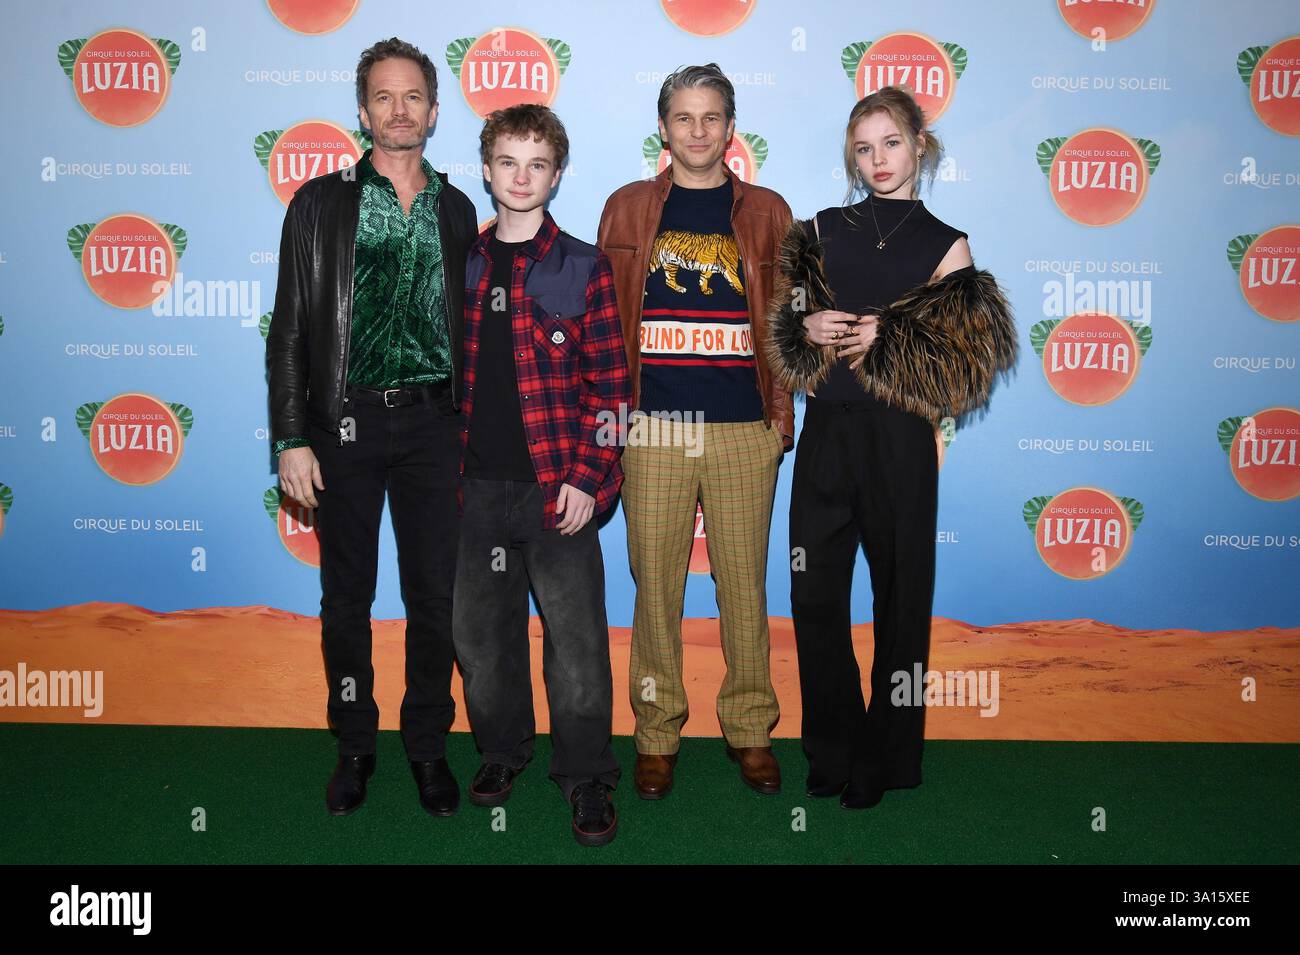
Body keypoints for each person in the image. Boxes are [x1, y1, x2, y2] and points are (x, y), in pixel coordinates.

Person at [766, 86, 1016, 809]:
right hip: (826, 435)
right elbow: (789, 325)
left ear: (920, 146)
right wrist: (803, 331)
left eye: (891, 143)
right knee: (813, 595)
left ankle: (887, 756)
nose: (878, 159)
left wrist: (894, 336)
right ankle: (833, 747)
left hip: (902, 440)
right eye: (863, 147)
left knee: (901, 601)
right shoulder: (819, 229)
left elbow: (974, 356)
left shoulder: (947, 243)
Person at [266, 38, 478, 818]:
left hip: (434, 427)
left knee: (436, 598)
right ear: (363, 111)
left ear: (432, 110)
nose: (399, 110)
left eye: (413, 96)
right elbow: (289, 328)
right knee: (345, 596)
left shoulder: (458, 208)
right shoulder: (318, 205)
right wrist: (290, 436)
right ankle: (355, 744)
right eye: (384, 97)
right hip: (342, 426)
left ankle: (427, 745)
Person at [597, 64, 794, 799]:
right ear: (664, 127)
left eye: (712, 117)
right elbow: (602, 322)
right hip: (653, 427)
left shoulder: (770, 212)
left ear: (731, 127)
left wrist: (781, 417)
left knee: (744, 585)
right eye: (684, 117)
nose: (699, 131)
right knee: (656, 588)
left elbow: (792, 318)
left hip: (746, 427)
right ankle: (655, 731)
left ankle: (750, 728)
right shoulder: (624, 210)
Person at [453, 104, 631, 847]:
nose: (520, 177)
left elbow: (614, 390)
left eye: (536, 164)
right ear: (486, 169)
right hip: (470, 491)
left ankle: (587, 772)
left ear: (557, 175)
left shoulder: (584, 265)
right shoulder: (458, 260)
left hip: (559, 489)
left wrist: (590, 479)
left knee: (577, 640)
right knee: (480, 638)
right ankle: (501, 750)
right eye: (506, 162)